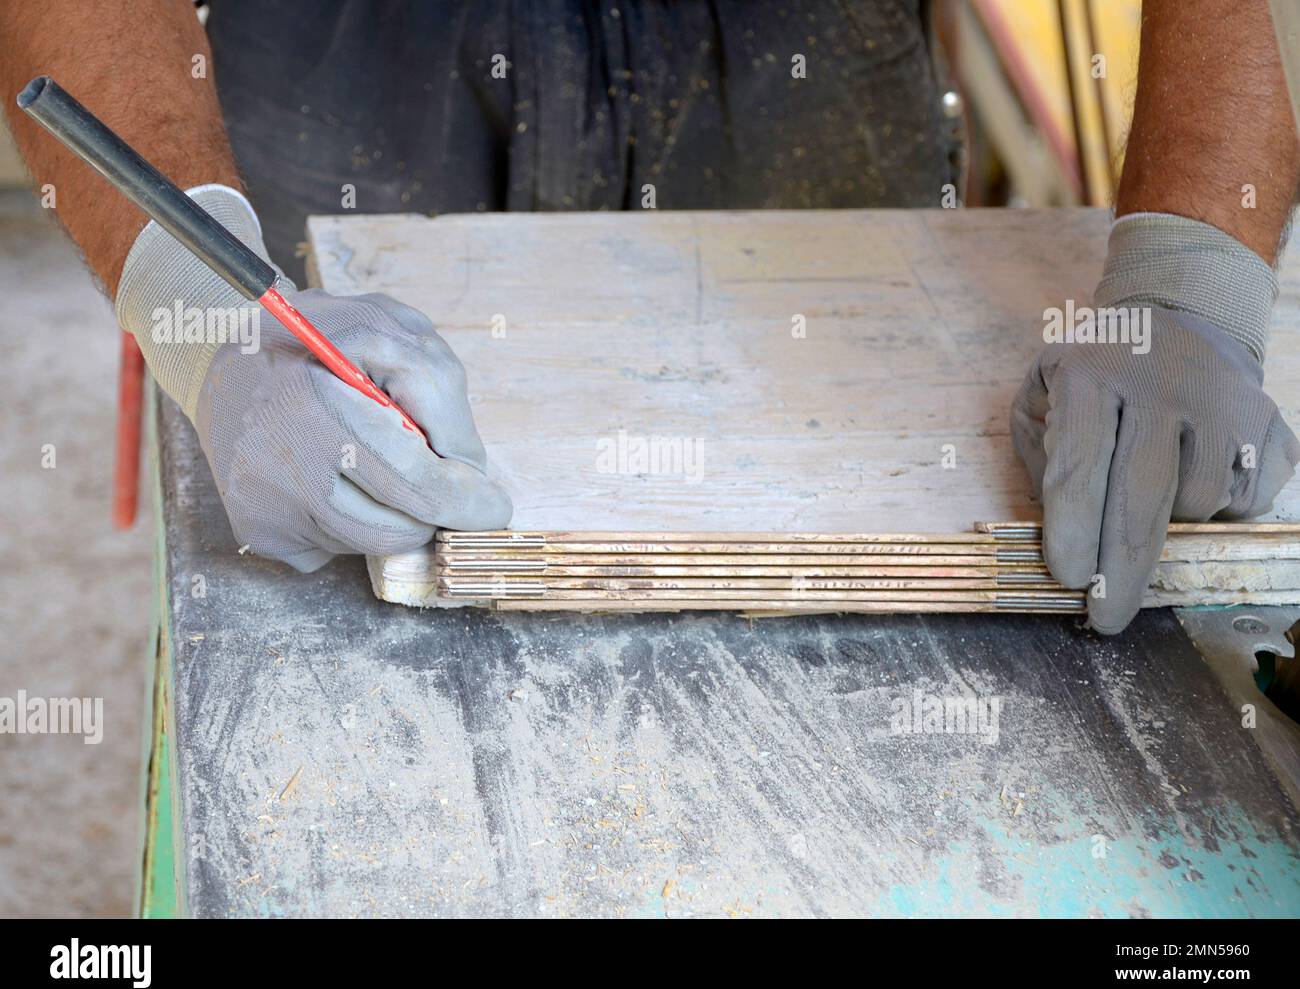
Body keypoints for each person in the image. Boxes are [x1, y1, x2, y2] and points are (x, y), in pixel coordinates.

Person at [2, 0, 1296, 634]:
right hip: (351, 53)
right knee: (338, 609)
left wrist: (1195, 271)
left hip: (798, 50)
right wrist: (207, 313)